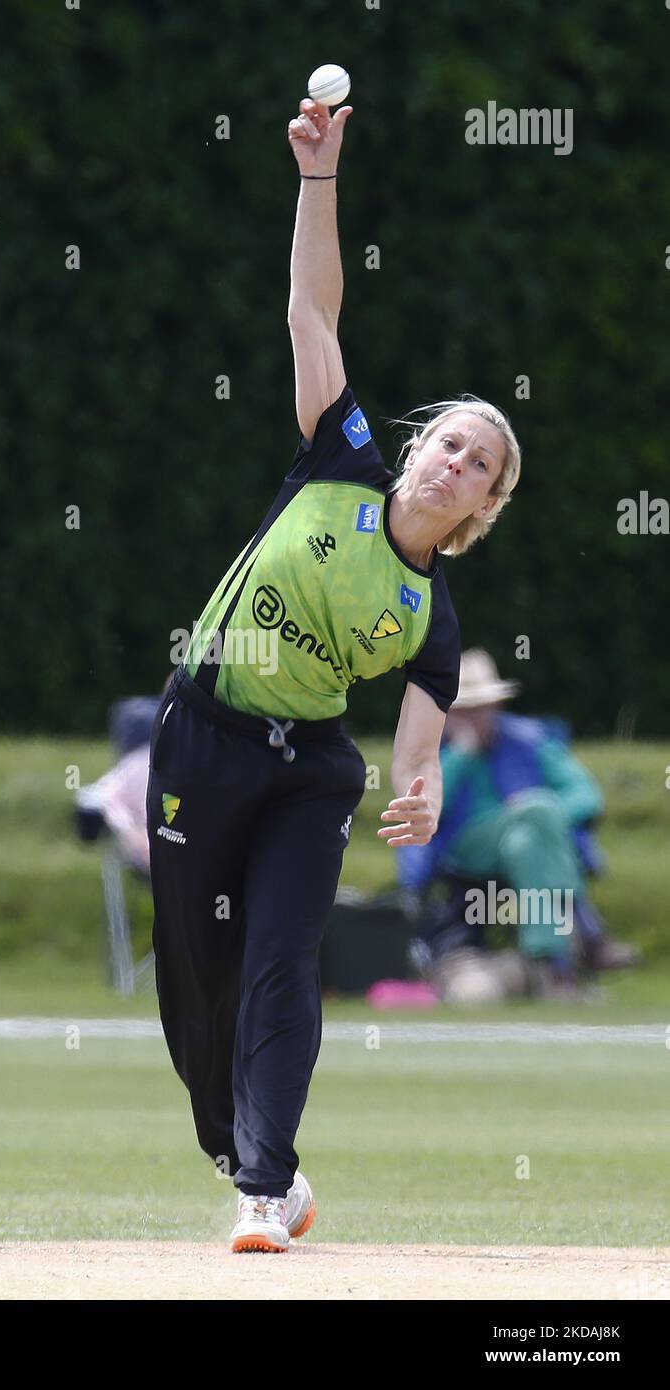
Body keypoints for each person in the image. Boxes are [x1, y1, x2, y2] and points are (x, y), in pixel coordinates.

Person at [146, 96, 522, 1254]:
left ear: (478, 509)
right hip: (202, 734)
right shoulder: (339, 452)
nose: (453, 462)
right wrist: (319, 175)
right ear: (414, 449)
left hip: (306, 773)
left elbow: (414, 754)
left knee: (278, 961)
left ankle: (261, 1186)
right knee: (193, 977)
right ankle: (252, 1157)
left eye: (479, 464)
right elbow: (313, 306)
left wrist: (418, 795)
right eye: (448, 441)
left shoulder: (429, 621)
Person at [399, 649, 640, 1001]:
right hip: (464, 847)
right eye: (462, 710)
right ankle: (590, 934)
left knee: (526, 840)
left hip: (527, 841)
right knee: (538, 808)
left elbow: (586, 796)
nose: (471, 718)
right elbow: (427, 808)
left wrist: (531, 811)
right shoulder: (431, 754)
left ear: (495, 707)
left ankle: (550, 962)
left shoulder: (528, 741)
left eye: (479, 708)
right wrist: (464, 755)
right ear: (446, 715)